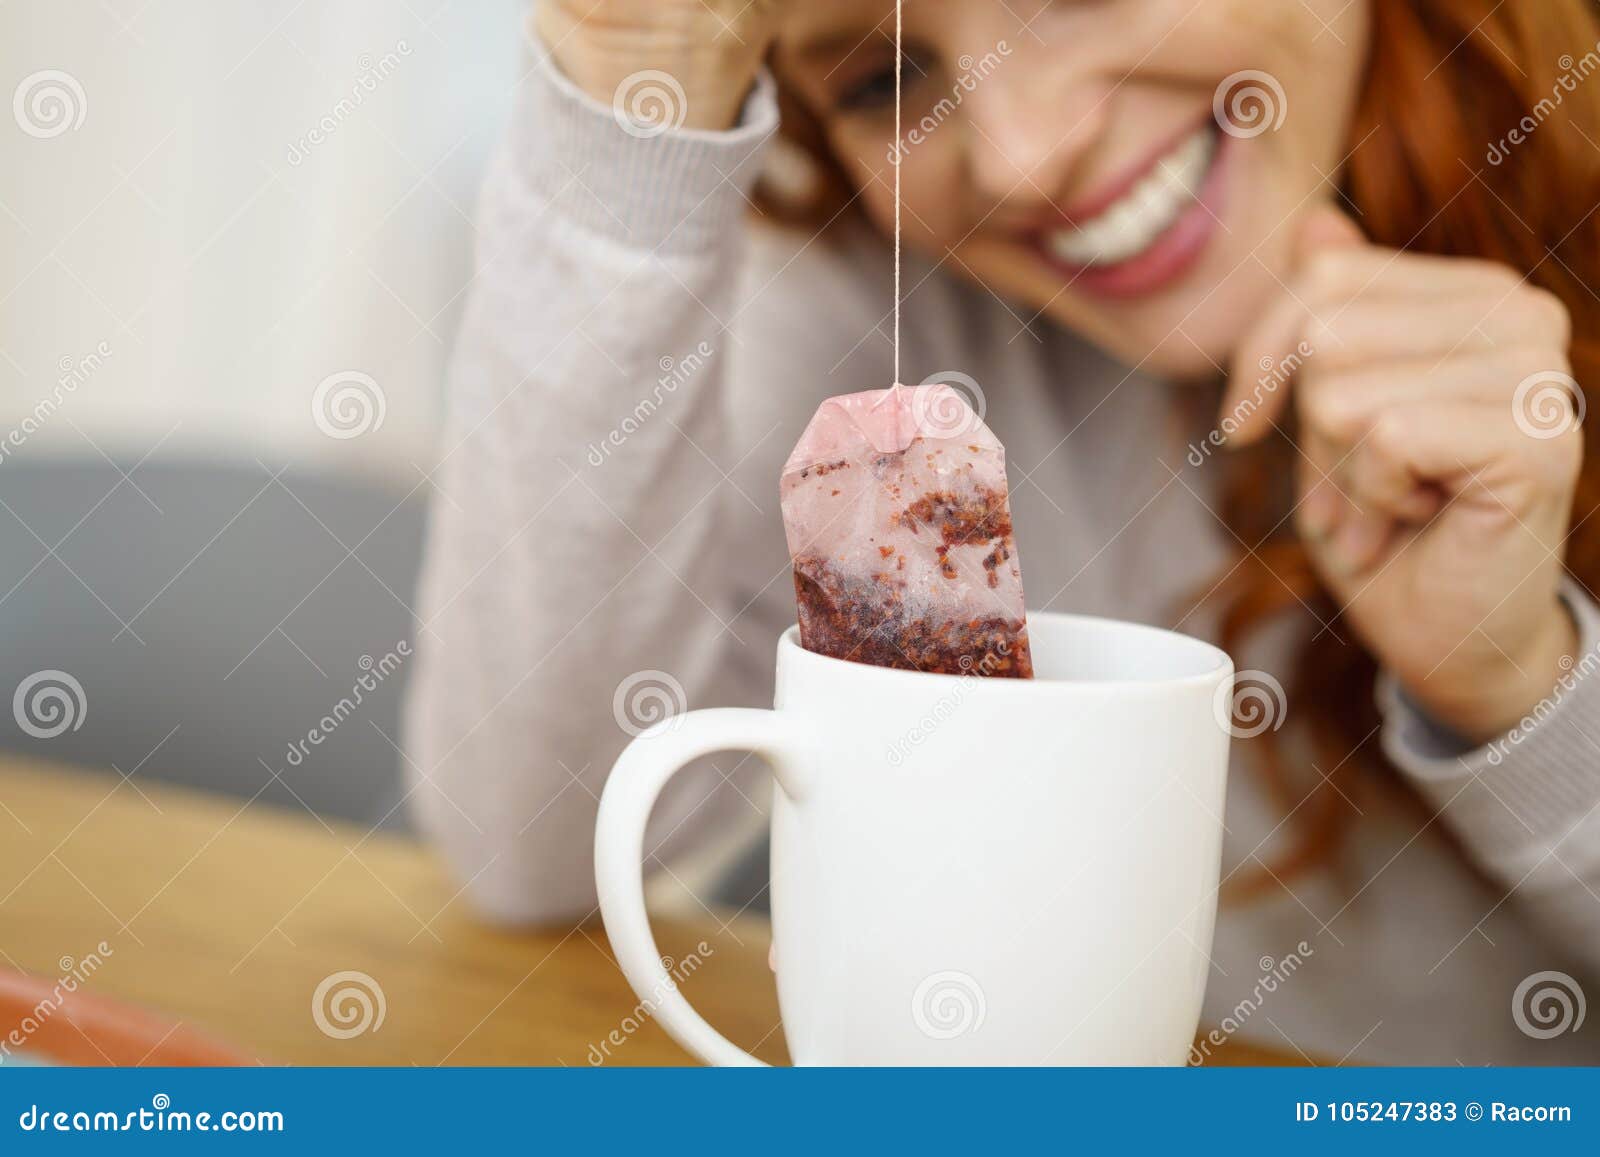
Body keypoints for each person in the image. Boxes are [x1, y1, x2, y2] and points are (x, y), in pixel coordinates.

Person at [404, 0, 1600, 1063]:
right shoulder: (885, 313)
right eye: (883, 81)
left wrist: (1516, 679)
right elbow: (534, 847)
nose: (1024, 156)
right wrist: (624, 103)